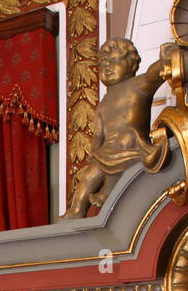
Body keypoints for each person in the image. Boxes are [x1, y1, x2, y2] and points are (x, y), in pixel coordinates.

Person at [63, 38, 171, 218]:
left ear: (132, 65)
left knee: (124, 147)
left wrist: (164, 61)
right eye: (103, 63)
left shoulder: (139, 85)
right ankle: (76, 210)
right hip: (106, 152)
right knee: (88, 176)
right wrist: (95, 156)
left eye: (114, 61)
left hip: (131, 146)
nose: (108, 66)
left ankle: (107, 192)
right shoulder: (103, 103)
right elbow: (98, 134)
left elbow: (154, 74)